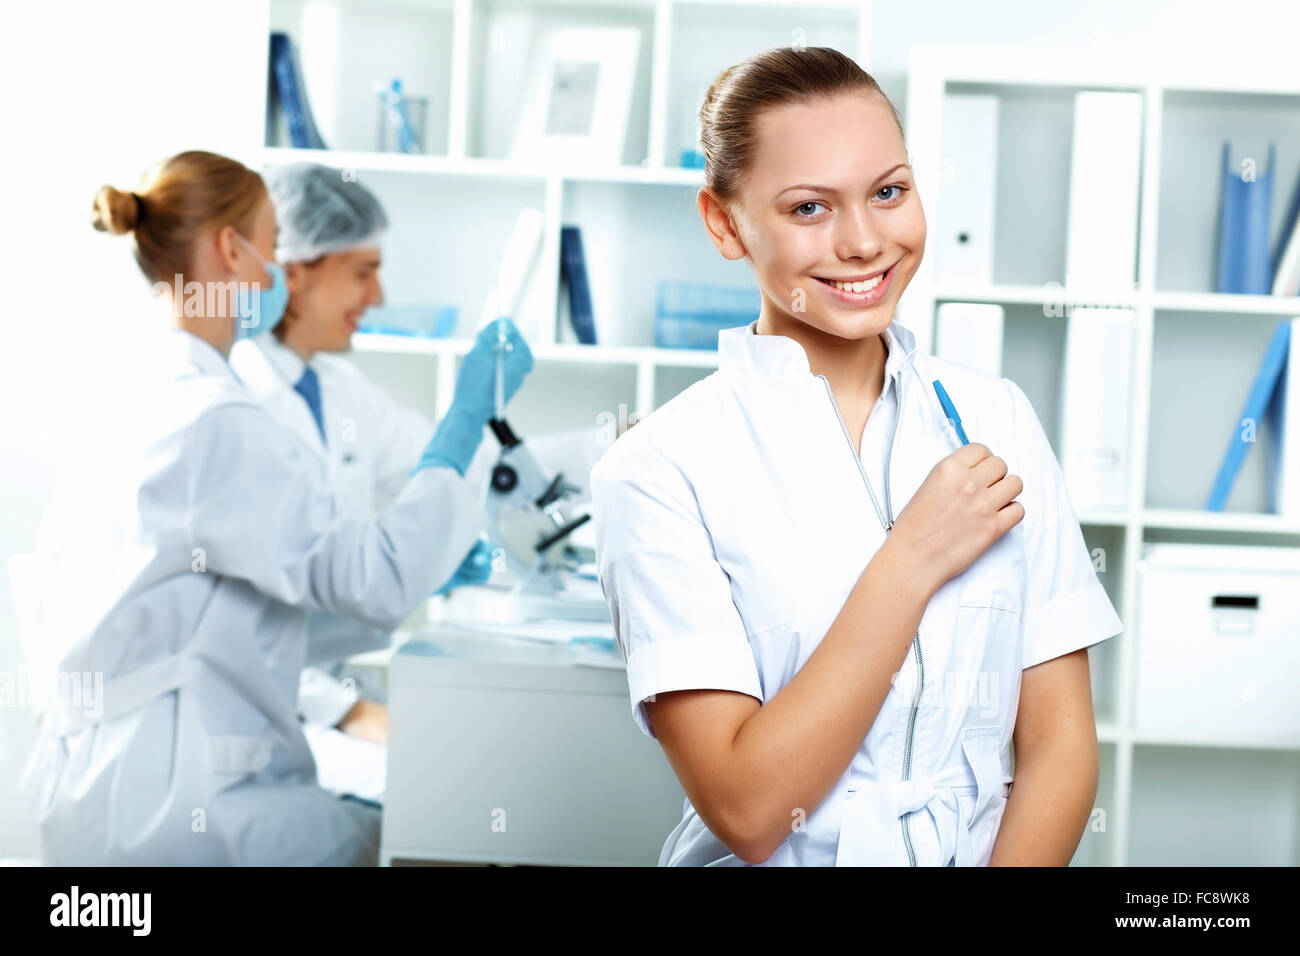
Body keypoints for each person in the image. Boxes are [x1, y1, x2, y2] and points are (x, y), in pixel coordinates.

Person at [589, 48, 1123, 867]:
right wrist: (911, 560)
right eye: (809, 207)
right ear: (724, 223)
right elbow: (749, 810)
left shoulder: (997, 420)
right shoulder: (659, 470)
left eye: (888, 192)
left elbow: (1060, 744)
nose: (865, 241)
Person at [25, 150, 532, 865]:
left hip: (113, 783)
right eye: (271, 248)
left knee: (415, 829)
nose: (277, 272)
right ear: (233, 251)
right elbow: (376, 579)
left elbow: (227, 617)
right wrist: (465, 422)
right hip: (178, 800)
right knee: (443, 838)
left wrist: (425, 570)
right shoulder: (214, 420)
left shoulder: (143, 393)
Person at [229, 162, 493, 803]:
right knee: (442, 796)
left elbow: (439, 469)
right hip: (262, 710)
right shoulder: (237, 399)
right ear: (296, 272)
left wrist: (434, 555)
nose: (376, 296)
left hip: (315, 691)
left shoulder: (341, 390)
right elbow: (237, 623)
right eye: (363, 271)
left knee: (466, 771)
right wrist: (347, 710)